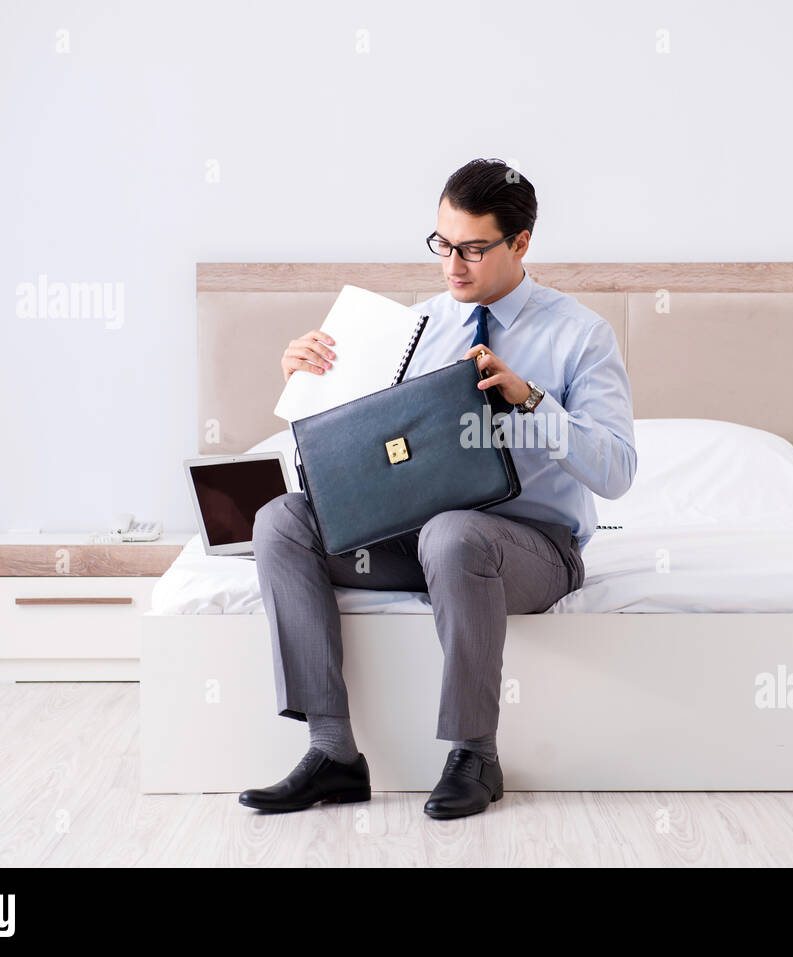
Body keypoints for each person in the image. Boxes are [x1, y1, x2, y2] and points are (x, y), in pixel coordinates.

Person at [239, 158, 637, 819]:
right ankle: (332, 751)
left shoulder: (581, 336)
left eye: (474, 249)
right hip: (413, 543)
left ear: (521, 244)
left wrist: (529, 398)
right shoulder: (412, 328)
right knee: (280, 520)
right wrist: (306, 384)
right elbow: (361, 457)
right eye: (443, 245)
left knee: (453, 534)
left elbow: (617, 470)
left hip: (531, 551)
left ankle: (475, 753)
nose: (453, 265)